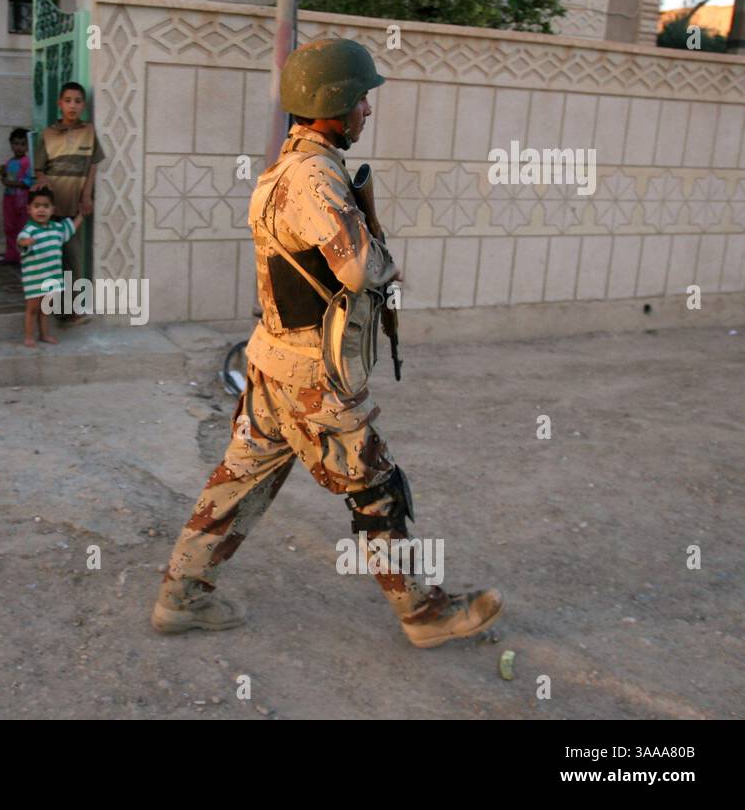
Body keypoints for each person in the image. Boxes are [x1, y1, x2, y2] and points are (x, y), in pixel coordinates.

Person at [151, 37, 504, 649]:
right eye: (362, 99)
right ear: (335, 104)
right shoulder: (313, 179)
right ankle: (423, 612)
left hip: (276, 360)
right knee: (376, 488)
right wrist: (389, 265)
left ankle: (180, 598)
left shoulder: (284, 172)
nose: (368, 110)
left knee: (238, 483)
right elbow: (359, 269)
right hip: (311, 375)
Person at [32, 82, 102, 324]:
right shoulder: (48, 133)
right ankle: (49, 309)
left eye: (78, 101)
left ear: (83, 105)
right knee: (50, 261)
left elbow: (93, 165)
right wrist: (43, 181)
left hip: (73, 210)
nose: (73, 105)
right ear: (59, 104)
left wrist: (86, 195)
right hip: (50, 211)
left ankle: (71, 311)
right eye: (68, 100)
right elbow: (39, 169)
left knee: (73, 259)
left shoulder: (89, 131)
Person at [17, 188, 82, 347]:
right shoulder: (29, 230)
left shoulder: (56, 228)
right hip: (34, 278)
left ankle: (44, 335)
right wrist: (25, 243)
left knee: (46, 309)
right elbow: (21, 241)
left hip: (52, 278)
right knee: (32, 308)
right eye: (37, 206)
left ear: (52, 210)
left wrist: (82, 215)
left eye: (45, 206)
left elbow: (71, 228)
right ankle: (29, 336)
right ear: (29, 209)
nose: (41, 209)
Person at [0, 127, 33, 266]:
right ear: (11, 145)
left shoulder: (27, 162)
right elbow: (6, 180)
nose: (19, 147)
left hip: (22, 201)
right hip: (9, 200)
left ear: (28, 146)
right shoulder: (9, 162)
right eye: (16, 144)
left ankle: (23, 257)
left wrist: (10, 183)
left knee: (22, 229)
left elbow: (28, 182)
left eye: (23, 144)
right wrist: (3, 173)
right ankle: (11, 256)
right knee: (9, 228)